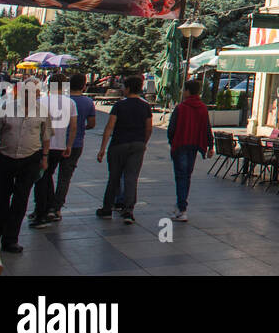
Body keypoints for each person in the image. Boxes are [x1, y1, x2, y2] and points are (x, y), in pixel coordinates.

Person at [0, 78, 52, 254]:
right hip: (5, 158)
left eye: (35, 91)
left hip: (30, 159)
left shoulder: (43, 111)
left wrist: (44, 157)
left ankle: (11, 239)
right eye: (28, 91)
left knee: (20, 200)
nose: (31, 94)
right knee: (0, 198)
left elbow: (46, 136)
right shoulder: (6, 108)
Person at [96, 74, 153, 224]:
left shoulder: (119, 105)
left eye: (123, 87)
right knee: (131, 177)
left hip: (119, 144)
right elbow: (149, 128)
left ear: (127, 88)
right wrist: (143, 143)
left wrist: (102, 148)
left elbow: (109, 127)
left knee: (114, 177)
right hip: (137, 145)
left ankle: (107, 208)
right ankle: (128, 211)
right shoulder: (145, 106)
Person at [48, 72, 97, 220]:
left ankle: (45, 204)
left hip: (54, 142)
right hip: (75, 144)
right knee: (65, 178)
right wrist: (82, 128)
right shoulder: (88, 102)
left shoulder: (63, 100)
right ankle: (57, 208)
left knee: (47, 174)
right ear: (84, 86)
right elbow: (92, 124)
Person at [167, 79, 214, 221]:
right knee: (186, 176)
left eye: (184, 90)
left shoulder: (181, 108)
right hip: (194, 145)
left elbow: (171, 128)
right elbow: (207, 128)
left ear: (187, 91)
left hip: (181, 145)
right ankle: (181, 205)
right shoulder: (202, 108)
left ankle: (182, 208)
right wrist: (210, 146)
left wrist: (172, 141)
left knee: (181, 176)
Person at [31, 78, 75, 229]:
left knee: (41, 178)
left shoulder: (42, 101)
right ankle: (47, 208)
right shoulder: (70, 103)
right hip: (60, 146)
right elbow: (74, 126)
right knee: (47, 175)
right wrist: (69, 145)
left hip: (43, 146)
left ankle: (41, 212)